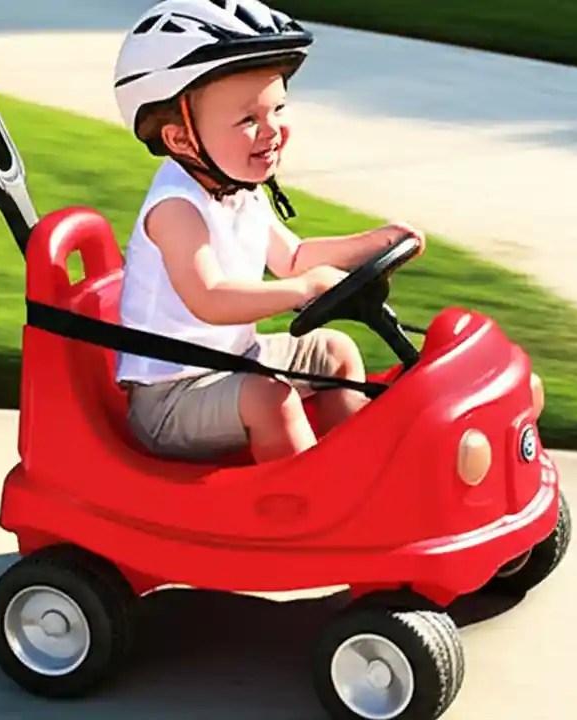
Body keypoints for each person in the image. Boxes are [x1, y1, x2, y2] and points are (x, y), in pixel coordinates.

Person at [110, 0, 422, 463]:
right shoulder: (175, 209)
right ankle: (308, 511)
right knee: (267, 398)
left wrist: (373, 243)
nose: (272, 130)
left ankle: (361, 470)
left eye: (278, 108)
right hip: (169, 398)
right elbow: (210, 297)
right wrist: (302, 290)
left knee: (333, 351)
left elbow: (292, 259)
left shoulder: (240, 189)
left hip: (232, 362)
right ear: (180, 138)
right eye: (248, 120)